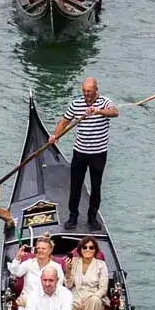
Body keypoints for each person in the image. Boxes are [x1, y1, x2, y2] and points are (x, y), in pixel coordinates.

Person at [50, 78, 119, 231]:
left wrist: (98, 111)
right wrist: (55, 136)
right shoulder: (76, 104)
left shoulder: (105, 102)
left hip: (98, 154)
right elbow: (64, 122)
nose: (86, 94)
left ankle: (92, 218)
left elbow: (115, 112)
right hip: (80, 152)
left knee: (96, 186)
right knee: (75, 186)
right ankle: (72, 217)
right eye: (84, 91)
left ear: (96, 90)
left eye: (89, 91)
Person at [64, 237, 109, 310]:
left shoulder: (101, 264)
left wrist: (90, 298)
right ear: (80, 249)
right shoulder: (74, 262)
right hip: (77, 296)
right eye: (85, 247)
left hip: (94, 295)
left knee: (94, 301)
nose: (88, 250)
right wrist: (68, 270)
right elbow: (68, 285)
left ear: (95, 250)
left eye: (91, 247)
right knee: (67, 309)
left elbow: (103, 288)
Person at [8, 235, 64, 302]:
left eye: (43, 248)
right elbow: (15, 272)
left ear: (50, 250)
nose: (40, 250)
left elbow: (58, 288)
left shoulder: (56, 267)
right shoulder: (28, 263)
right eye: (38, 248)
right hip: (27, 300)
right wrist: (18, 257)